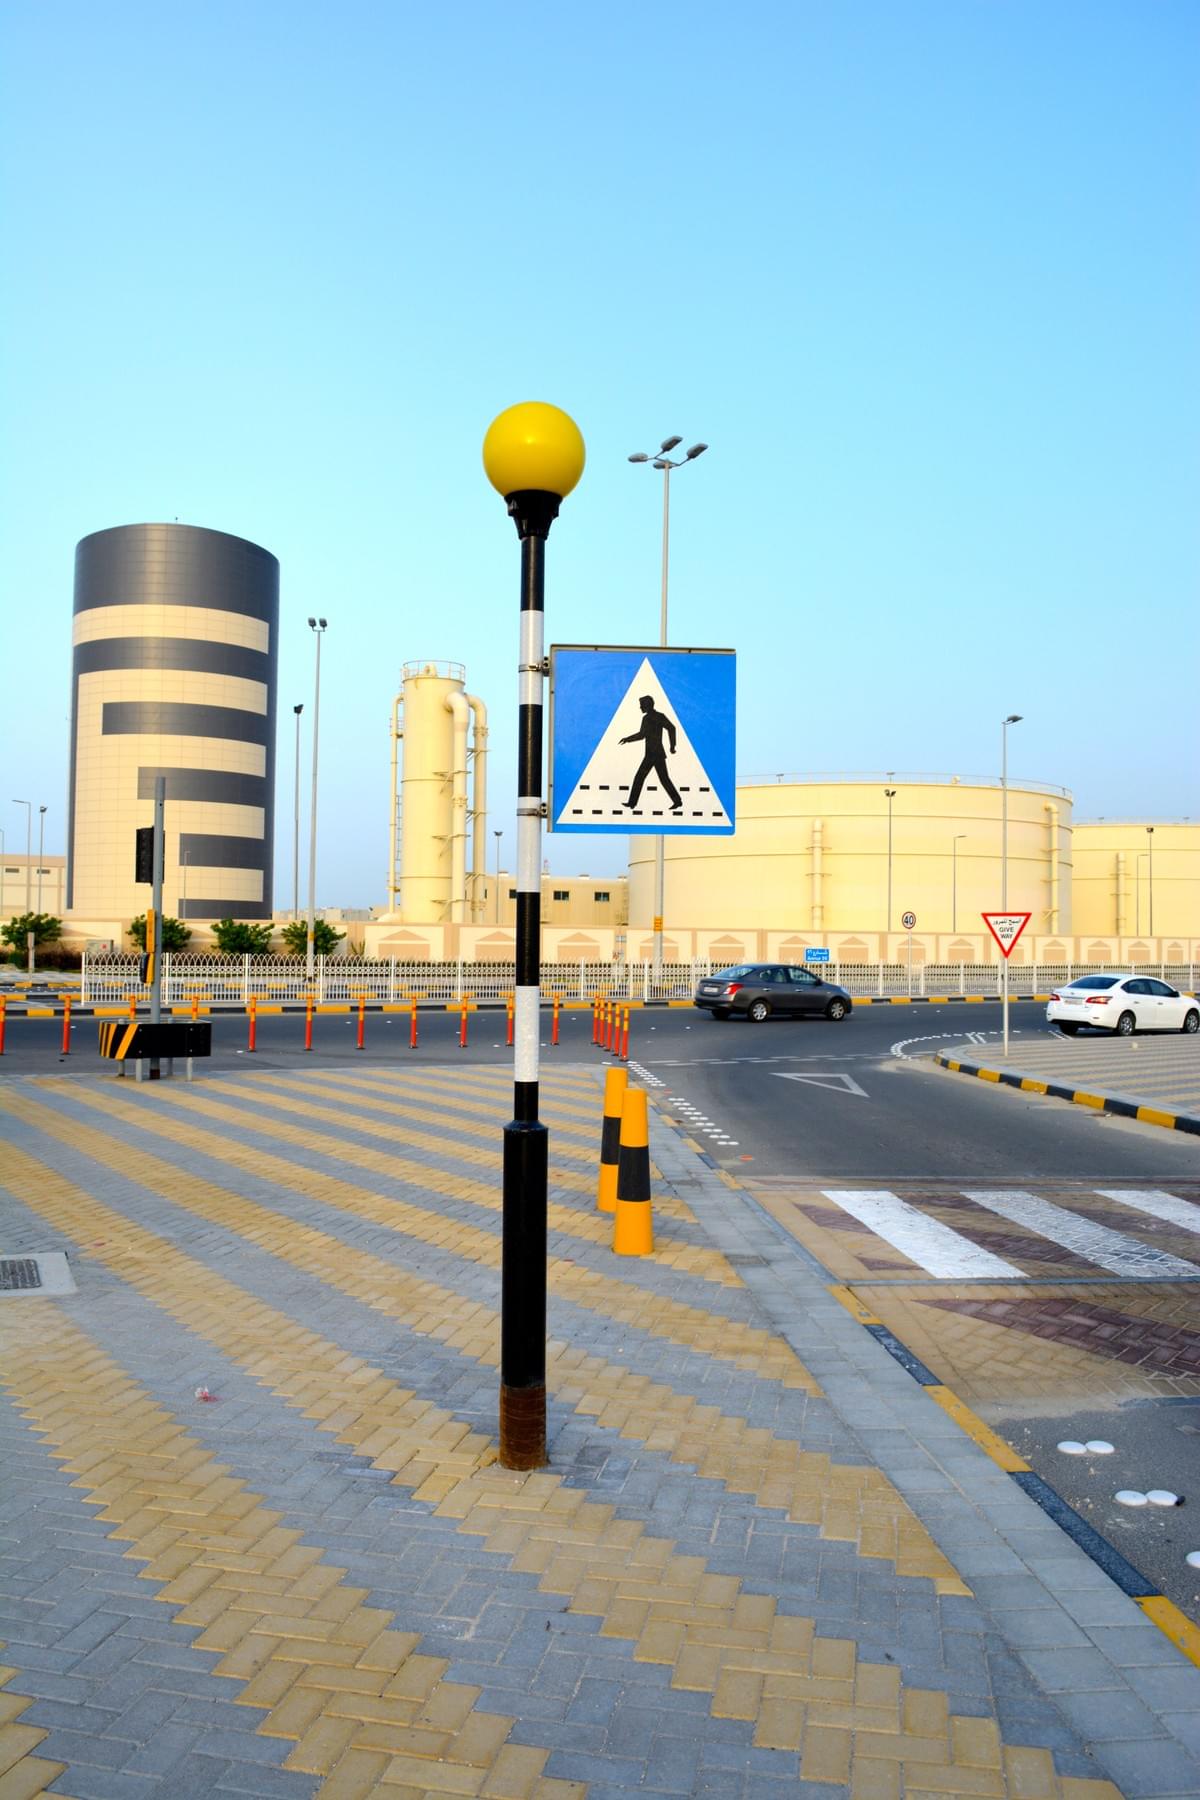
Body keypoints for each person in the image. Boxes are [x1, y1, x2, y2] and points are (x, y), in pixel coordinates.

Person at [621, 695, 682, 812]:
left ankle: (632, 803)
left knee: (642, 777)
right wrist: (672, 746)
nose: (640, 707)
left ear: (647, 705)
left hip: (653, 754)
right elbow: (671, 728)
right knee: (662, 779)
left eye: (642, 705)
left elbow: (642, 735)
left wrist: (672, 745)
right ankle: (677, 801)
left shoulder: (649, 718)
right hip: (655, 753)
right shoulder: (657, 716)